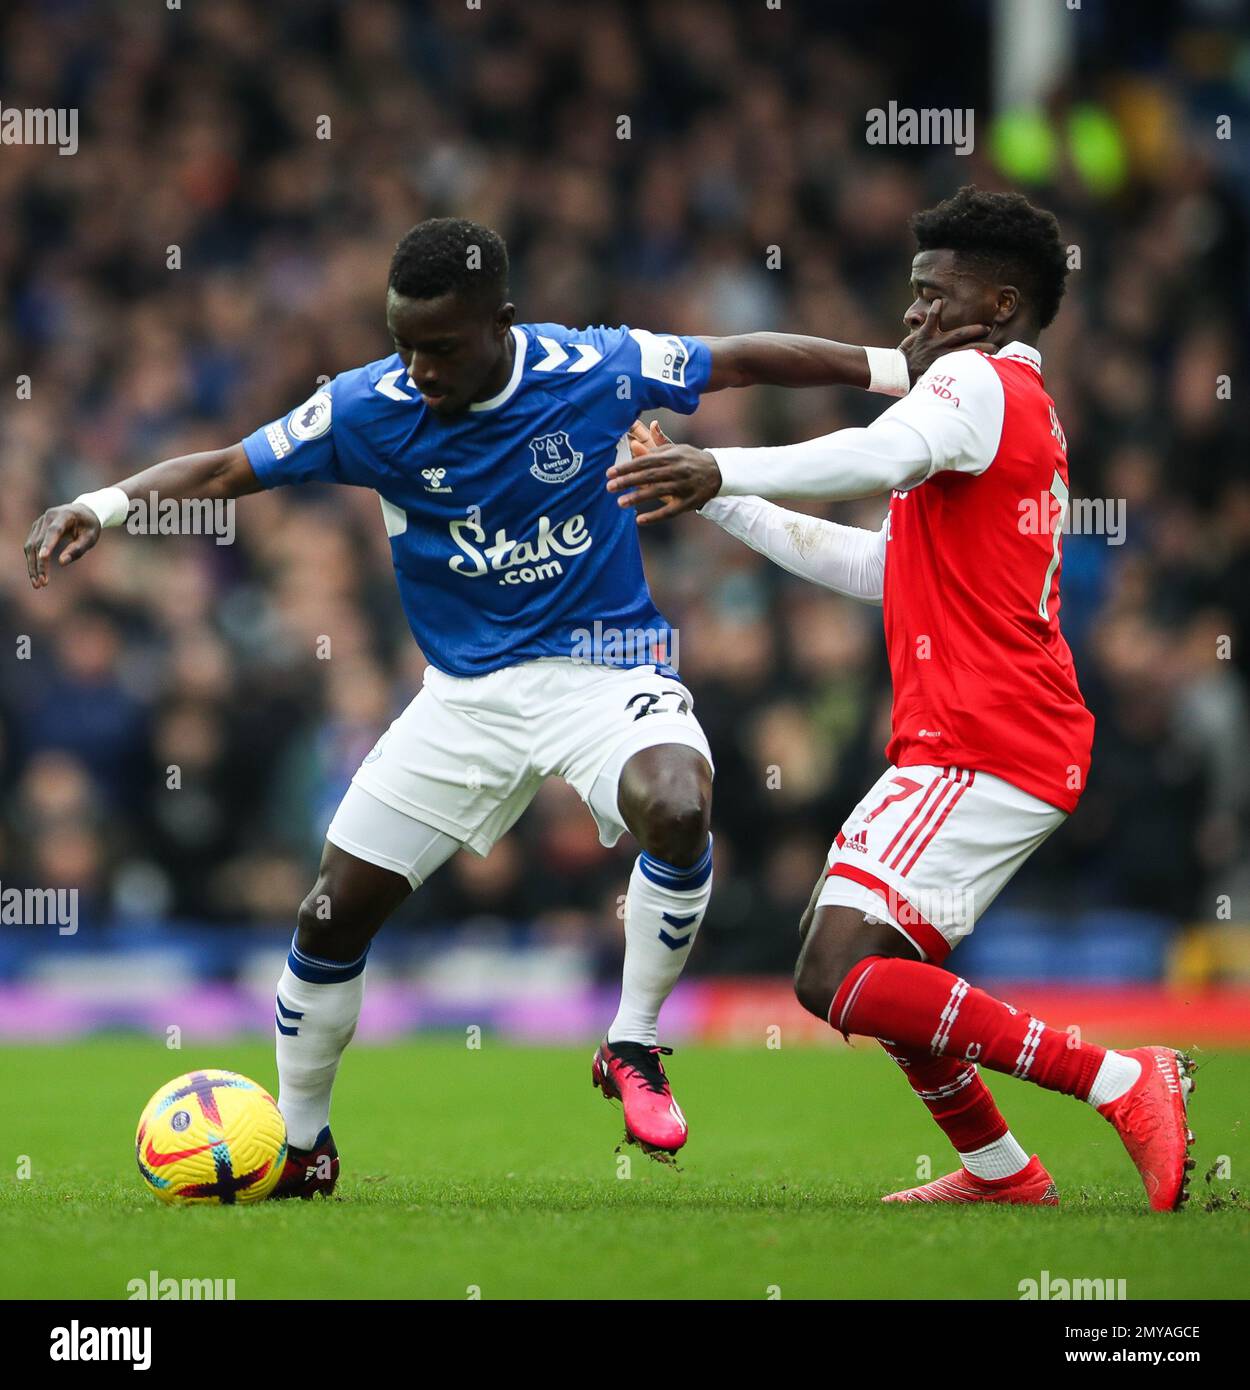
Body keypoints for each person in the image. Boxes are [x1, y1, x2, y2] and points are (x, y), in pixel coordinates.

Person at [23, 217, 977, 1193]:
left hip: (605, 671)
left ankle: (633, 1043)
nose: (417, 367)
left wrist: (895, 372)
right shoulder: (366, 406)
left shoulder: (592, 366)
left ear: (501, 325)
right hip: (465, 699)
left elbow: (734, 360)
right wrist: (101, 505)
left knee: (682, 804)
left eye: (439, 346)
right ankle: (304, 1144)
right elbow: (229, 466)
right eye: (403, 343)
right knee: (330, 914)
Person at [609, 187, 1196, 1211]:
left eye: (934, 295)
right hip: (994, 735)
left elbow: (875, 453)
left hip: (984, 738)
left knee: (832, 972)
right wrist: (720, 498)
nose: (912, 316)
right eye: (910, 294)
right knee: (878, 969)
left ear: (999, 304)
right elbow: (880, 569)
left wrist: (723, 464)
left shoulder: (972, 383)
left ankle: (1116, 1079)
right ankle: (1000, 1170)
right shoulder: (1008, 411)